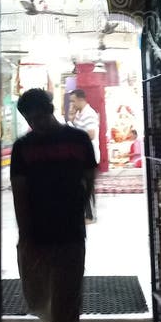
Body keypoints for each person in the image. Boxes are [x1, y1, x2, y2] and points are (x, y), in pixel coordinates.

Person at [11, 88, 97, 322]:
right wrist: (26, 237)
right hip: (36, 241)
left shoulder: (78, 140)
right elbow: (19, 192)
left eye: (39, 116)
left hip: (70, 240)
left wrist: (83, 210)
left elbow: (90, 180)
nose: (36, 123)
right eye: (30, 119)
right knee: (37, 303)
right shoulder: (23, 148)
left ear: (50, 109)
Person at [68, 89, 99, 222]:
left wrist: (75, 135)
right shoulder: (80, 114)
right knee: (83, 186)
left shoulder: (89, 114)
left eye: (73, 101)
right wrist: (71, 119)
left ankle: (90, 216)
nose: (72, 104)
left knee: (87, 186)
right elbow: (76, 130)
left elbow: (91, 134)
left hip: (88, 156)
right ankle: (87, 214)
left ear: (81, 99)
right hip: (81, 156)